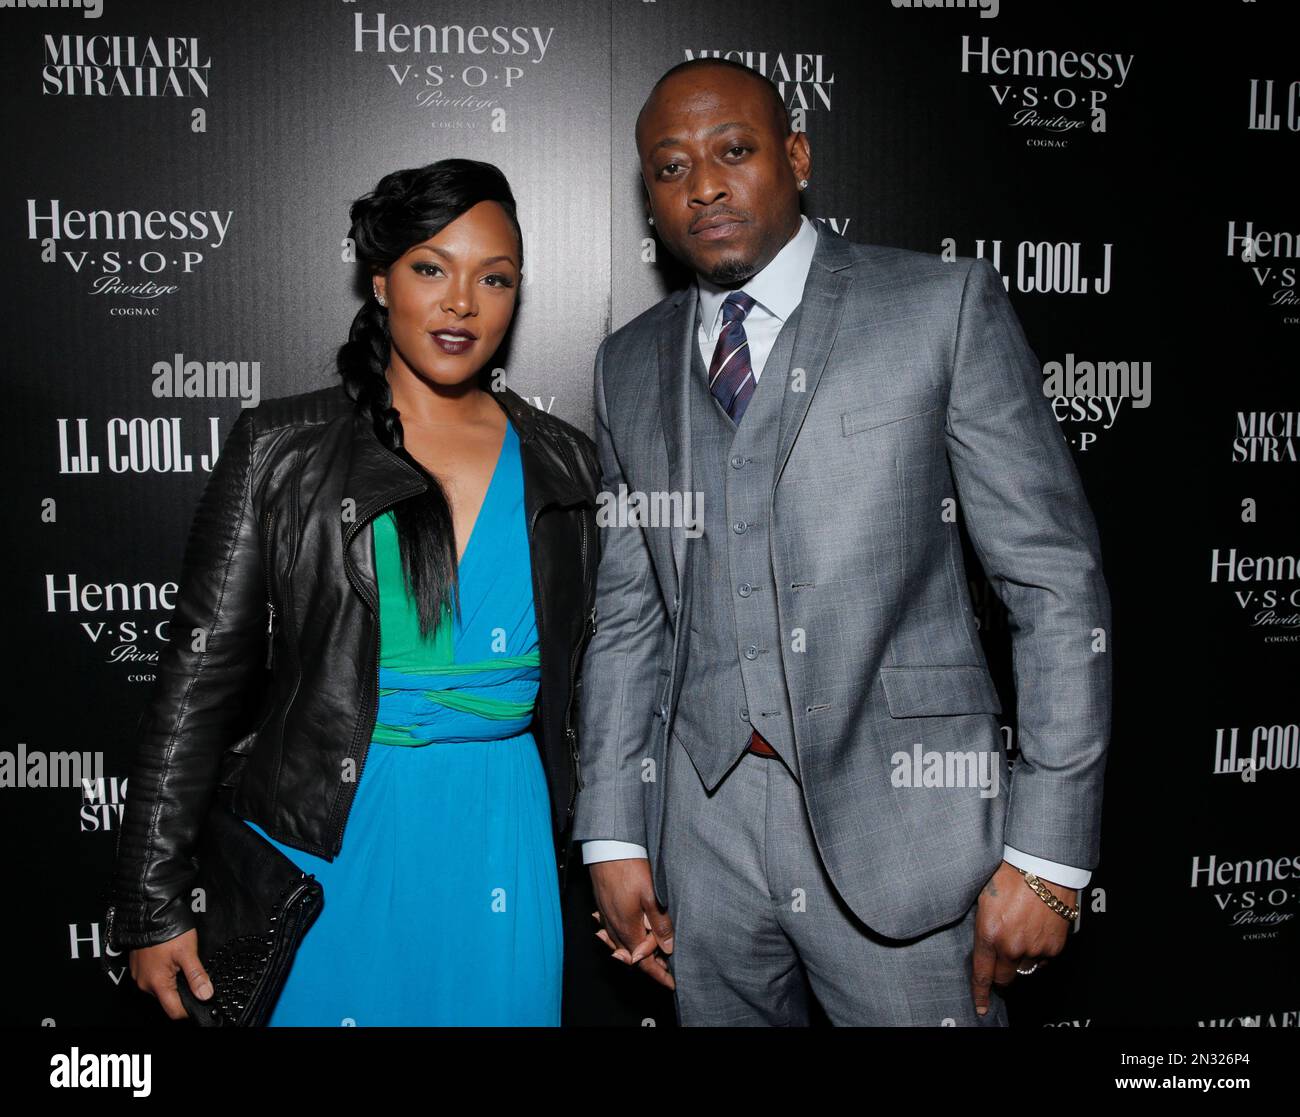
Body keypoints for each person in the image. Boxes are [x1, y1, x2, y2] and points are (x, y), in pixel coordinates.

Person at [576, 59, 1112, 1026]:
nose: (703, 185)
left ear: (796, 156)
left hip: (905, 829)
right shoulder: (625, 365)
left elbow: (1052, 584)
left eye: (734, 151)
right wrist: (613, 832)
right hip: (703, 839)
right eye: (670, 167)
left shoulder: (939, 310)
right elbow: (629, 619)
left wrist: (1048, 860)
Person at [104, 159, 601, 1026]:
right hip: (334, 840)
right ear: (379, 280)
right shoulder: (282, 447)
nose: (461, 302)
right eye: (429, 268)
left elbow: (603, 686)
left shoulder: (564, 460)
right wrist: (153, 902)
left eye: (495, 278)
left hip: (501, 839)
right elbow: (196, 684)